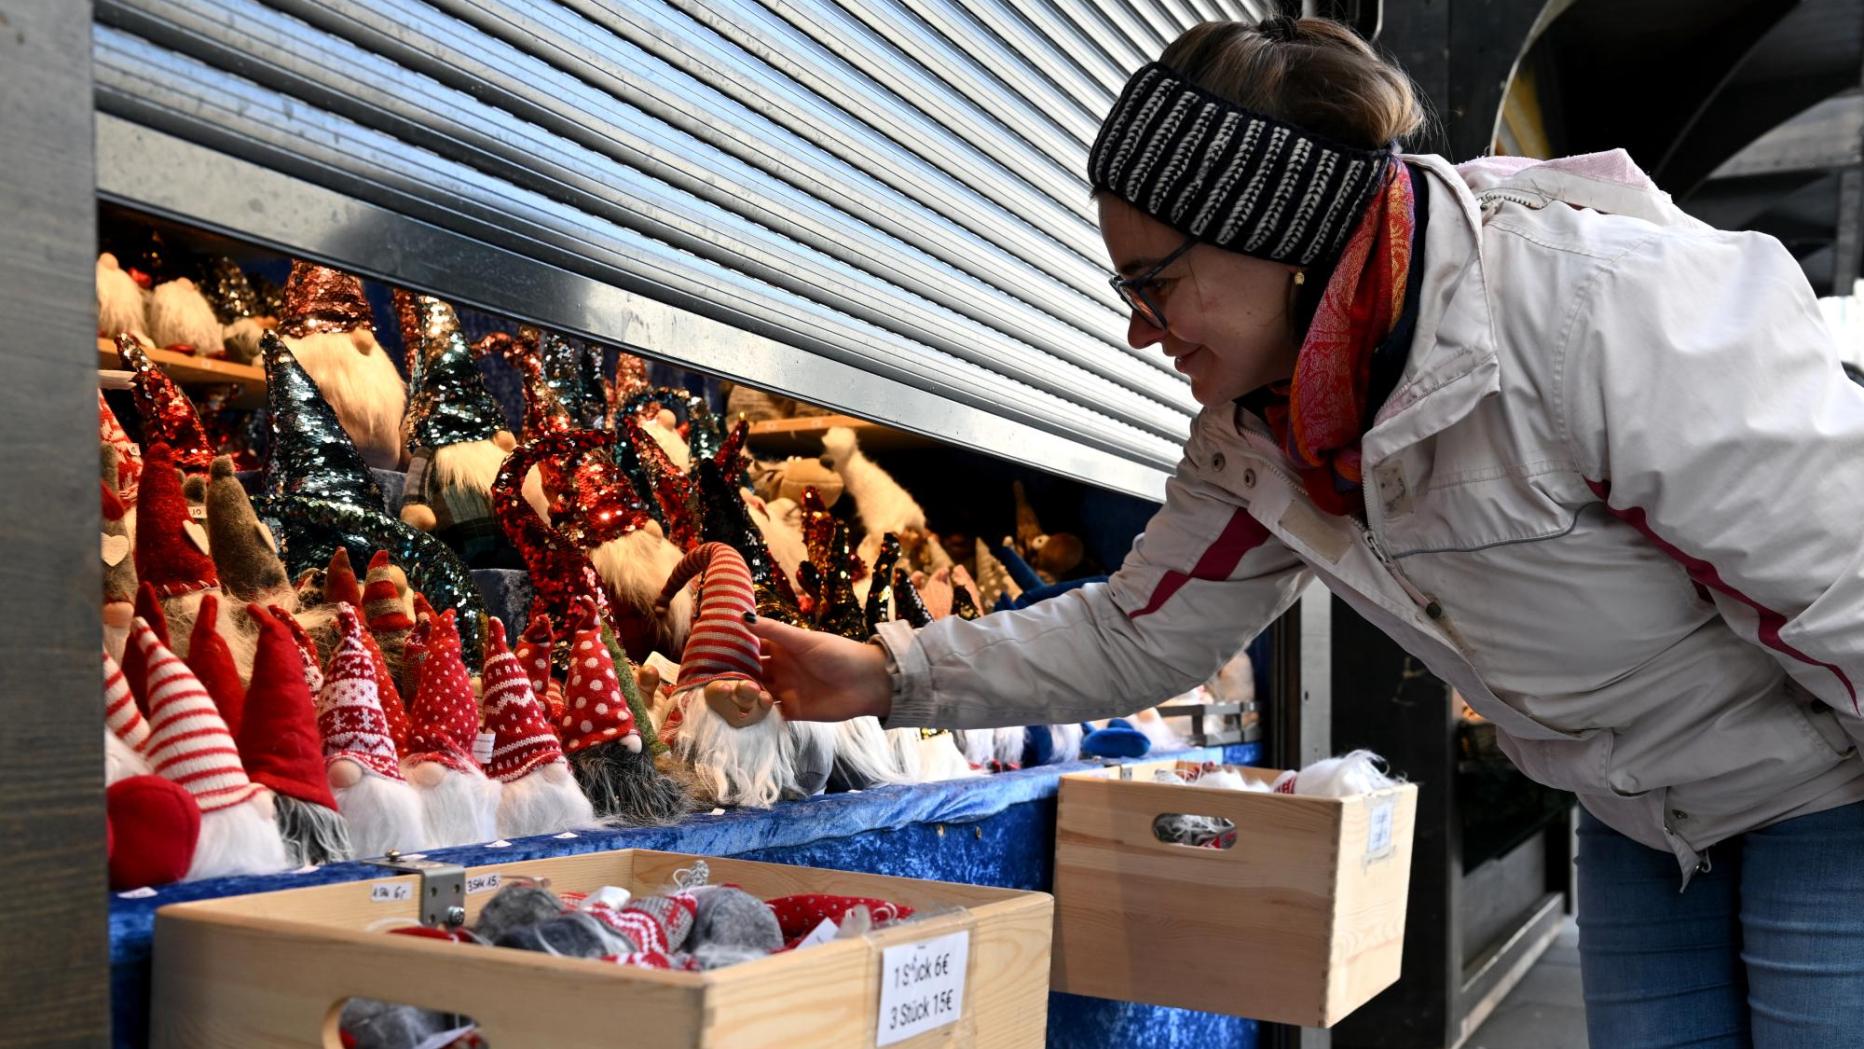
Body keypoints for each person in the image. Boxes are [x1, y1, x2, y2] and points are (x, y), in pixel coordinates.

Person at [751, 16, 1864, 1048]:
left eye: (1156, 283)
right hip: (1641, 820)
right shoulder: (1266, 427)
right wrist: (886, 673)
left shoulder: (1586, 307)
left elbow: (1841, 579)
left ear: (1275, 234)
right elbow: (1142, 633)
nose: (1139, 333)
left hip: (1830, 787)